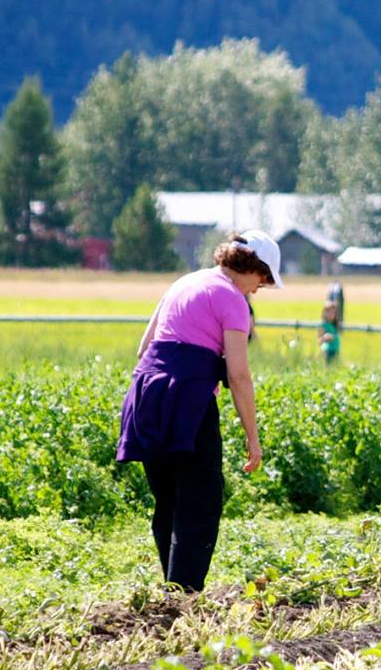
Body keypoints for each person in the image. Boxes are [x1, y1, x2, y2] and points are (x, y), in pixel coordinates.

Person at [115, 231, 282, 591]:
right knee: (200, 499)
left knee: (168, 499)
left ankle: (173, 590)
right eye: (264, 280)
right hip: (187, 399)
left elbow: (145, 346)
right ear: (254, 267)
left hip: (147, 392)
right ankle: (185, 593)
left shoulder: (184, 282)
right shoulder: (233, 299)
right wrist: (253, 439)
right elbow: (238, 374)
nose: (259, 289)